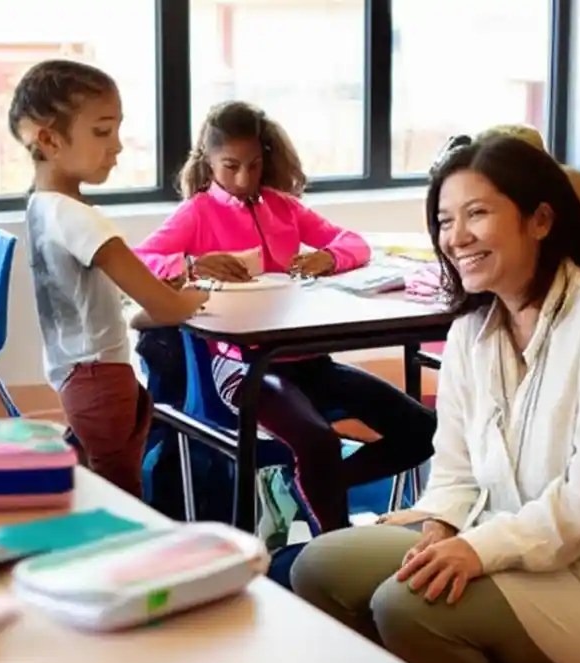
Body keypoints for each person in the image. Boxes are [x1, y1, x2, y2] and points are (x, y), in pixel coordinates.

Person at [291, 137, 580, 663]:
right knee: (316, 567)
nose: (455, 237)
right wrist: (441, 526)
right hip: (496, 549)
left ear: (540, 219)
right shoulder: (476, 327)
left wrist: (475, 548)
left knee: (407, 606)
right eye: (445, 220)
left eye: (477, 213)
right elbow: (456, 467)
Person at [135, 101, 435, 533]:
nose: (243, 179)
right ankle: (337, 538)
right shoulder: (197, 213)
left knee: (422, 429)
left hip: (308, 360)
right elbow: (140, 260)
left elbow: (355, 243)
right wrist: (190, 264)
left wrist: (327, 258)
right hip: (243, 368)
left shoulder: (283, 207)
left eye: (254, 166)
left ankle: (312, 486)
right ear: (209, 163)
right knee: (318, 440)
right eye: (230, 166)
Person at [8, 59, 208, 496]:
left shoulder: (41, 206)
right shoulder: (80, 219)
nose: (116, 146)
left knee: (97, 485)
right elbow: (167, 308)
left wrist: (162, 294)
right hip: (100, 380)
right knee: (122, 502)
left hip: (75, 375)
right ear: (49, 139)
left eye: (117, 129)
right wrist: (199, 295)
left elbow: (106, 298)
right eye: (102, 131)